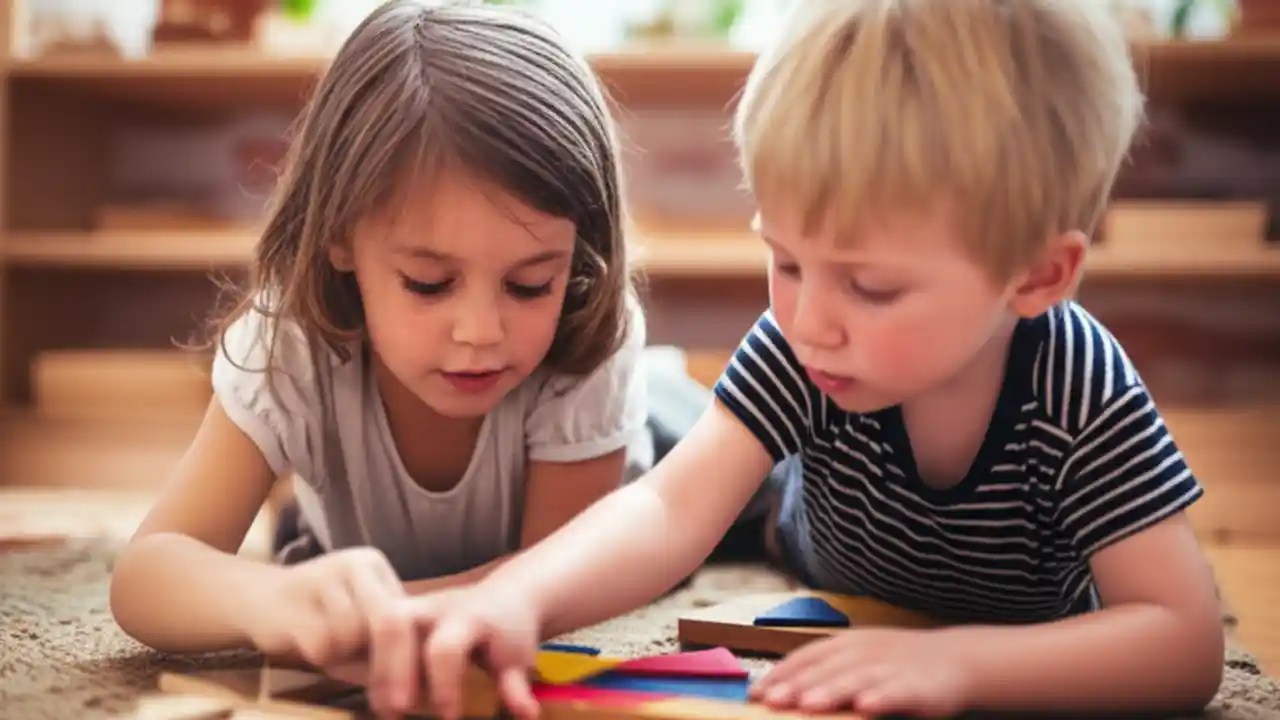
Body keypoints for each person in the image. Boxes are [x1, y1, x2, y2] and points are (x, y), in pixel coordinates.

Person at [400, 1, 1226, 719]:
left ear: (1037, 276)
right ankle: (662, 390)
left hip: (990, 614)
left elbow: (1183, 643)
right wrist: (516, 595)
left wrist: (958, 664)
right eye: (787, 262)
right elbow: (669, 513)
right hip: (793, 549)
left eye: (869, 287)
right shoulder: (798, 347)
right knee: (690, 463)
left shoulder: (1081, 390)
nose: (809, 320)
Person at [108, 2, 648, 711]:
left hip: (643, 445)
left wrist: (391, 611)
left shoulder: (586, 328)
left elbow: (559, 583)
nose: (480, 331)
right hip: (359, 519)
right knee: (312, 555)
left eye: (529, 283)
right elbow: (142, 579)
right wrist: (267, 598)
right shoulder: (290, 339)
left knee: (734, 480)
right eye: (429, 283)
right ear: (339, 237)